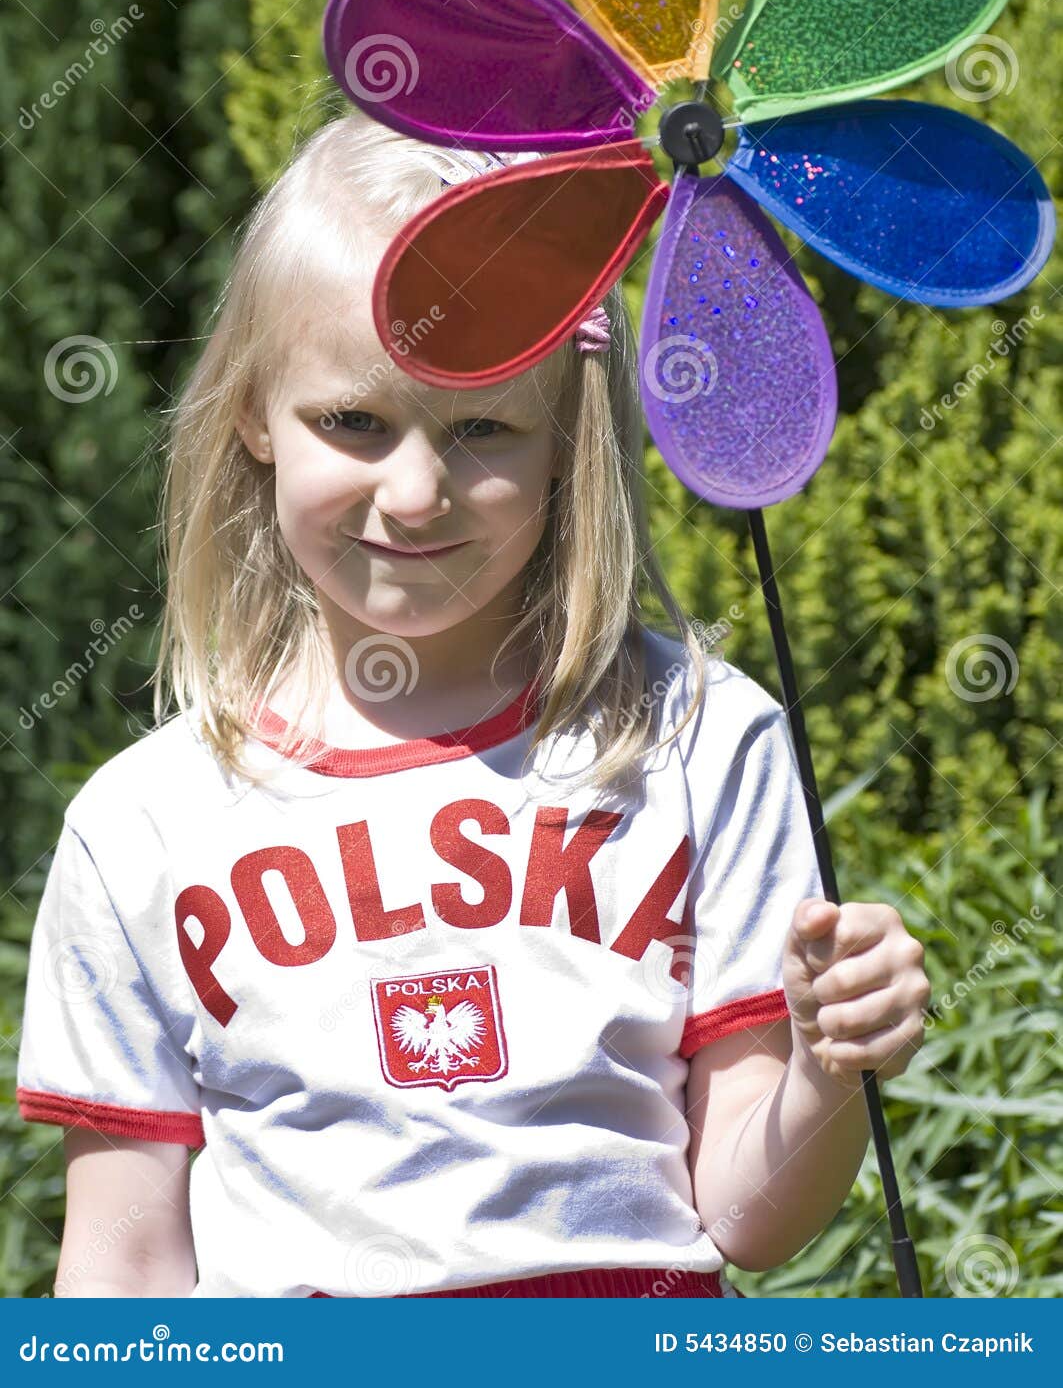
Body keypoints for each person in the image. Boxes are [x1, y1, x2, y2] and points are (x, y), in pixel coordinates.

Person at [16, 111, 931, 1299]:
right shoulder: (142, 823)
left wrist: (828, 1061)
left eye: (482, 429)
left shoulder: (705, 741)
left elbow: (748, 1216)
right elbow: (124, 1269)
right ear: (251, 413)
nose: (413, 492)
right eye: (353, 420)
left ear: (566, 439)